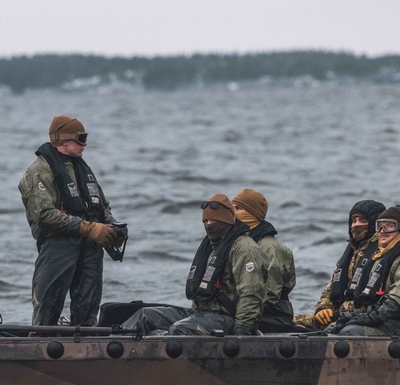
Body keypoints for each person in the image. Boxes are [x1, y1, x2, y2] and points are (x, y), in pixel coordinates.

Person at [17, 115, 125, 326]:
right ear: (64, 140)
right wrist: (88, 228)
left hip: (91, 248)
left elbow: (102, 205)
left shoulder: (82, 169)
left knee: (87, 313)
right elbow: (45, 215)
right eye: (81, 138)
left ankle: (84, 352)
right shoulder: (39, 171)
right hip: (58, 247)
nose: (85, 144)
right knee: (47, 310)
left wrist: (111, 228)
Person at [123, 194, 267, 335]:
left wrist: (242, 330)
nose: (209, 225)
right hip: (202, 314)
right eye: (206, 221)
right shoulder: (211, 247)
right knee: (145, 316)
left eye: (213, 221)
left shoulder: (244, 248)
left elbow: (251, 293)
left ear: (227, 222)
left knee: (181, 329)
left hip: (229, 319)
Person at [326, 205, 400, 337]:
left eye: (389, 226)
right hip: (382, 319)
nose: (382, 231)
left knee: (349, 332)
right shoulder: (380, 259)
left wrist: (372, 318)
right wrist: (352, 316)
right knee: (330, 331)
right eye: (380, 226)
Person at [296, 199, 386, 329]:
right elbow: (330, 289)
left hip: (359, 317)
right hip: (336, 313)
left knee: (329, 331)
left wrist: (336, 314)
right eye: (354, 220)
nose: (356, 225)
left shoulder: (381, 256)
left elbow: (371, 300)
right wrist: (323, 309)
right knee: (292, 323)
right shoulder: (346, 257)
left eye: (363, 221)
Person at [231, 188, 297, 332]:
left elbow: (270, 294)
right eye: (231, 208)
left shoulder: (269, 247)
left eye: (238, 208)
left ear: (252, 213)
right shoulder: (240, 243)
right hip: (246, 311)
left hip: (274, 316)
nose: (232, 213)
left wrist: (236, 311)